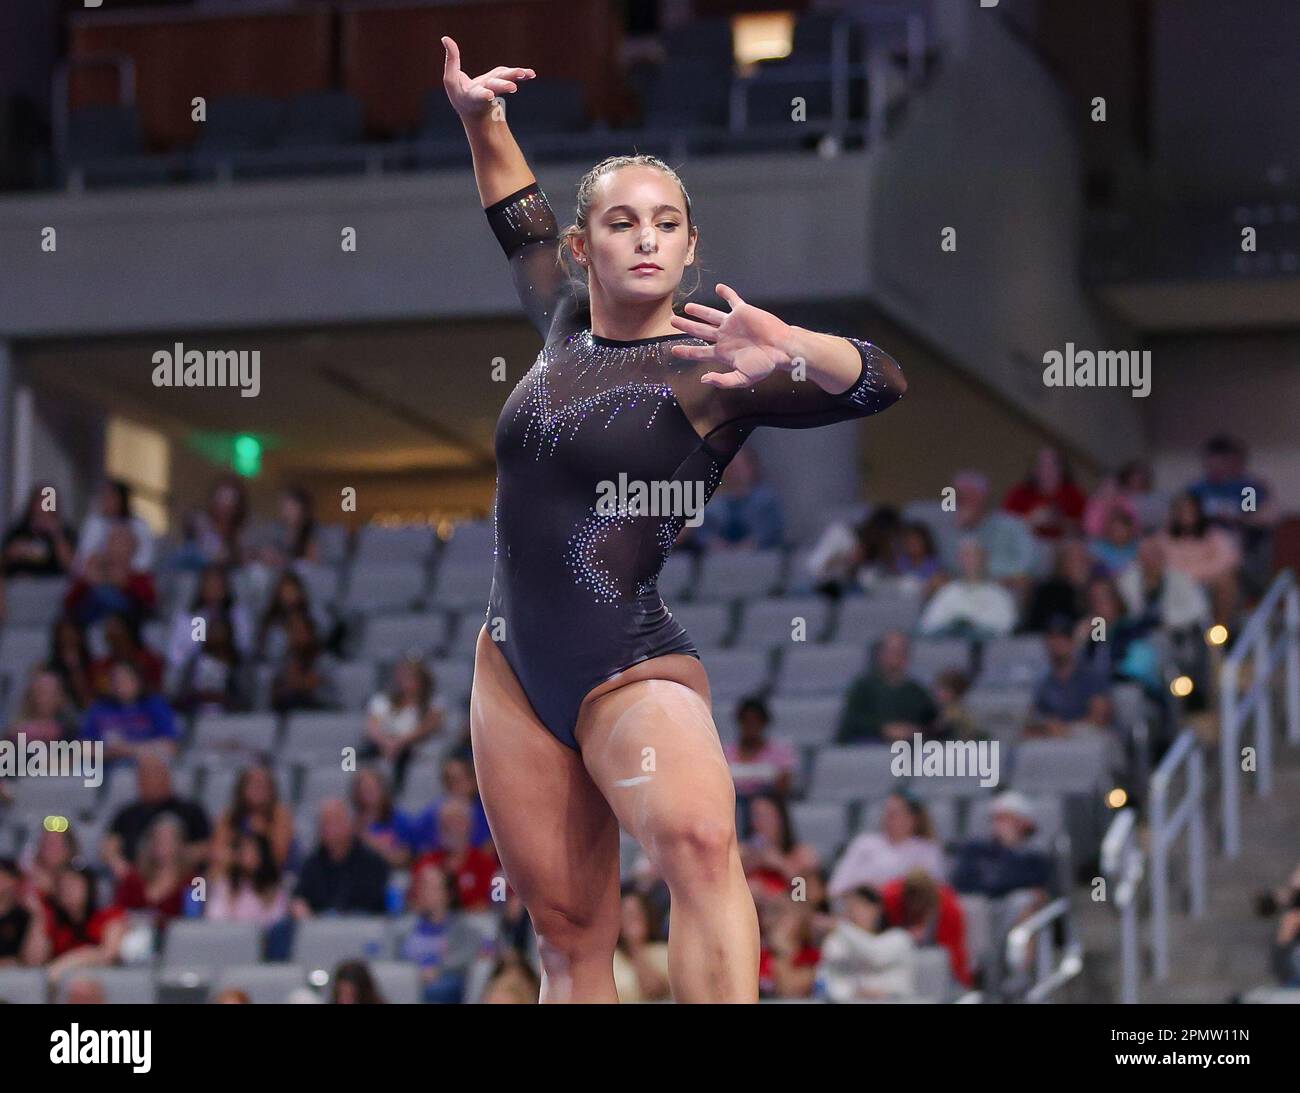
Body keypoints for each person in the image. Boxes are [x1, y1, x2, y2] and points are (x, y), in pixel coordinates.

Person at [446, 36, 906, 1003]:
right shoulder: (563, 320)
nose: (646, 237)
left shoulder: (716, 373)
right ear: (587, 250)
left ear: (692, 249)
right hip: (509, 668)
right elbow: (519, 221)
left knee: (699, 841)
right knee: (568, 934)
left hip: (624, 661)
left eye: (666, 223)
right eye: (621, 223)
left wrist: (795, 346)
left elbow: (879, 384)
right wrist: (483, 119)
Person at [102, 753, 211, 870]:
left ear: (167, 778)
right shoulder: (127, 813)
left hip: (181, 875)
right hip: (135, 875)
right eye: (144, 776)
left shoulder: (191, 810)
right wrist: (125, 871)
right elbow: (109, 846)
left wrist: (176, 859)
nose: (148, 781)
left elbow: (207, 847)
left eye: (155, 775)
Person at [936, 470, 1040, 592]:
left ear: (983, 498)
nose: (964, 501)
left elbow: (1029, 559)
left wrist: (1010, 576)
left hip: (1005, 584)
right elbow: (948, 564)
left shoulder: (1010, 524)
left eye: (971, 495)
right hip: (965, 587)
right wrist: (963, 529)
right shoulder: (952, 528)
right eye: (961, 496)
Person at [950, 791, 1052, 912]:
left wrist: (1010, 848)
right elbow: (961, 883)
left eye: (1005, 818)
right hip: (982, 909)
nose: (998, 824)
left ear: (1024, 823)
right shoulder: (975, 849)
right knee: (971, 903)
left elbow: (1035, 886)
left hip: (1012, 911)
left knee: (1023, 900)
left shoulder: (1036, 856)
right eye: (996, 818)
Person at [828, 792, 946, 896]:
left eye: (894, 813)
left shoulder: (927, 850)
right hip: (860, 910)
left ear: (912, 819)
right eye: (886, 813)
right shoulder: (864, 843)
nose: (887, 818)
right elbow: (837, 887)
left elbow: (931, 893)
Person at [1152, 492, 1241, 625]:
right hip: (1174, 585)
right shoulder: (1162, 538)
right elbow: (1159, 562)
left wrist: (1195, 574)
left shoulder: (1216, 535)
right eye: (1181, 511)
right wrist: (1184, 576)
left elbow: (1228, 560)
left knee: (1226, 581)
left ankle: (1219, 630)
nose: (1186, 515)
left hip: (1207, 584)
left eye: (1190, 510)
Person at [291, 799, 388, 918]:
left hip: (362, 929)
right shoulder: (311, 865)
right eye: (324, 823)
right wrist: (300, 907)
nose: (329, 829)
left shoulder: (373, 862)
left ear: (350, 824)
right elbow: (299, 897)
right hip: (321, 930)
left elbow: (375, 905)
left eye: (335, 822)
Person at [398, 867, 481, 1004]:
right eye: (422, 887)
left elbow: (468, 957)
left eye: (431, 888)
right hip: (408, 981)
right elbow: (391, 961)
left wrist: (439, 969)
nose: (423, 893)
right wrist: (414, 975)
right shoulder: (403, 928)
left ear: (448, 894)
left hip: (442, 984)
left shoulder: (464, 930)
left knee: (439, 988)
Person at [818, 885, 916, 1001]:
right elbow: (825, 977)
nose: (852, 913)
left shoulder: (899, 938)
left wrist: (840, 926)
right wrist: (851, 991)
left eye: (859, 906)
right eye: (849, 908)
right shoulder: (839, 941)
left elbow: (875, 954)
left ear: (877, 909)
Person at [837, 632, 937, 744]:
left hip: (909, 749)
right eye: (893, 651)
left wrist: (915, 730)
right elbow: (852, 722)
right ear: (880, 654)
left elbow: (932, 722)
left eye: (902, 651)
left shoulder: (916, 691)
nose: (898, 656)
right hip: (869, 747)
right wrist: (884, 729)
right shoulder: (863, 687)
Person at [880, 869, 972, 988]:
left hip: (934, 965)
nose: (916, 908)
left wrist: (964, 983)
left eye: (921, 908)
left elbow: (956, 954)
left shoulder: (950, 909)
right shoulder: (890, 899)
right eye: (913, 904)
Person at [362, 658, 446, 788]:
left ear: (422, 680)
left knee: (405, 755)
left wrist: (400, 743)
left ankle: (396, 790)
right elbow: (372, 727)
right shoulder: (383, 701)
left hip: (414, 747)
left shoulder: (433, 703)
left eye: (410, 677)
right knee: (358, 754)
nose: (405, 682)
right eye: (402, 677)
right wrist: (386, 743)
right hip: (385, 744)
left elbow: (429, 726)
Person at [410, 797, 500, 912]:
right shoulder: (427, 862)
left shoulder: (485, 863)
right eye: (445, 822)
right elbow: (413, 901)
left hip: (476, 925)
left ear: (470, 826)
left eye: (457, 822)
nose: (451, 827)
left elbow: (494, 903)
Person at [80, 660, 179, 764]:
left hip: (146, 765)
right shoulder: (100, 708)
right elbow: (82, 746)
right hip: (108, 766)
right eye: (115, 680)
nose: (119, 684)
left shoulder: (154, 704)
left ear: (137, 680)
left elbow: (170, 746)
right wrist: (110, 752)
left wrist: (128, 749)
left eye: (125, 678)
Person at [917, 537, 1018, 639]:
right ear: (959, 559)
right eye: (966, 556)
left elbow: (1005, 629)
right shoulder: (947, 591)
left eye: (975, 555)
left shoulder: (999, 594)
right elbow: (928, 627)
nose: (970, 561)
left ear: (984, 558)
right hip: (950, 650)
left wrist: (971, 626)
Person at [41, 865, 126, 984]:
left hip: (103, 985)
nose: (67, 890)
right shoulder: (53, 920)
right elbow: (35, 960)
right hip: (61, 987)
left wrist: (63, 964)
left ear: (89, 888)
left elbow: (109, 953)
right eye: (63, 886)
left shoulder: (109, 916)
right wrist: (37, 916)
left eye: (73, 884)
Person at [62, 525, 157, 629]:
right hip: (90, 626)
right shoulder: (93, 573)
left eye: (123, 542)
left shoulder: (140, 577)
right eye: (112, 541)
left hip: (128, 627)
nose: (117, 547)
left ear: (133, 548)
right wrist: (89, 580)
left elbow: (149, 604)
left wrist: (125, 584)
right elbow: (69, 605)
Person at [696, 448, 785, 550]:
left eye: (739, 467)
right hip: (720, 561)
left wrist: (744, 548)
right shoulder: (713, 506)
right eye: (730, 467)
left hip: (762, 560)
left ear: (751, 467)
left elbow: (769, 532)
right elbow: (704, 535)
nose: (734, 473)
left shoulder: (766, 501)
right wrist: (719, 547)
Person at [210, 763, 295, 870]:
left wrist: (263, 833)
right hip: (233, 874)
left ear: (272, 790)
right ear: (242, 788)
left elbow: (279, 856)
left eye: (263, 785)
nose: (258, 789)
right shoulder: (230, 814)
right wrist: (241, 857)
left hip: (270, 875)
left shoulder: (281, 815)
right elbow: (217, 851)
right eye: (253, 783)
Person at [113, 813, 196, 922]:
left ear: (180, 843)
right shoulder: (133, 880)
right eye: (157, 838)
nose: (161, 843)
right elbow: (117, 913)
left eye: (168, 839)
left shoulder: (194, 882)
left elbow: (196, 921)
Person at [1002, 446, 1086, 542]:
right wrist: (1031, 519)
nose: (1046, 471)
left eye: (1052, 465)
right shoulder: (1021, 493)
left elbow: (1086, 529)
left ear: (1061, 470)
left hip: (1059, 547)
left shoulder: (1073, 495)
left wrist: (1060, 522)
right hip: (1024, 544)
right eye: (1042, 465)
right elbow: (1004, 524)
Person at [206, 832, 289, 927]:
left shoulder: (276, 892)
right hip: (233, 938)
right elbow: (215, 919)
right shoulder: (226, 886)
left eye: (254, 852)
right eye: (245, 852)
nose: (249, 857)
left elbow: (278, 922)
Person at [72, 480, 154, 575]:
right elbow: (84, 558)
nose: (105, 501)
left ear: (122, 499)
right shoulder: (94, 523)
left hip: (130, 578)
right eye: (103, 496)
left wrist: (122, 571)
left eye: (110, 497)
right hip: (98, 576)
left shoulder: (139, 525)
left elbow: (145, 560)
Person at [723, 697, 796, 799]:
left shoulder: (780, 752)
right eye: (747, 721)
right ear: (740, 722)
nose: (751, 726)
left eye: (756, 721)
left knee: (761, 807)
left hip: (769, 804)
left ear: (764, 723)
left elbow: (784, 786)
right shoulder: (725, 753)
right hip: (733, 804)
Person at [269, 608, 338, 713]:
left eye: (300, 631)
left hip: (323, 712)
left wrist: (295, 681)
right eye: (292, 631)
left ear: (310, 633)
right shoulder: (286, 659)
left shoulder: (325, 660)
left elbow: (309, 684)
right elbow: (276, 690)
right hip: (294, 712)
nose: (296, 636)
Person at [1, 483, 76, 577]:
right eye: (42, 501)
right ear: (33, 504)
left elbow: (72, 567)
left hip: (55, 585)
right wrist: (11, 553)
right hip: (20, 585)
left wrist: (56, 533)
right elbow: (4, 562)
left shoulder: (65, 533)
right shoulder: (17, 531)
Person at [611, 888, 671, 1002]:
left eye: (637, 913)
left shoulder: (664, 952)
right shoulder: (612, 961)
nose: (633, 918)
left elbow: (655, 990)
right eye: (627, 914)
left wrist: (636, 946)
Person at [6, 668, 77, 745]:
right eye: (40, 691)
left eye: (50, 693)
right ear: (31, 695)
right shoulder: (15, 733)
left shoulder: (69, 733)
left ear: (60, 697)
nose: (44, 698)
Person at [0, 858, 45, 967]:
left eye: (2, 876)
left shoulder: (24, 915)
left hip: (17, 976)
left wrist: (37, 916)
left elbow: (34, 960)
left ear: (14, 881)